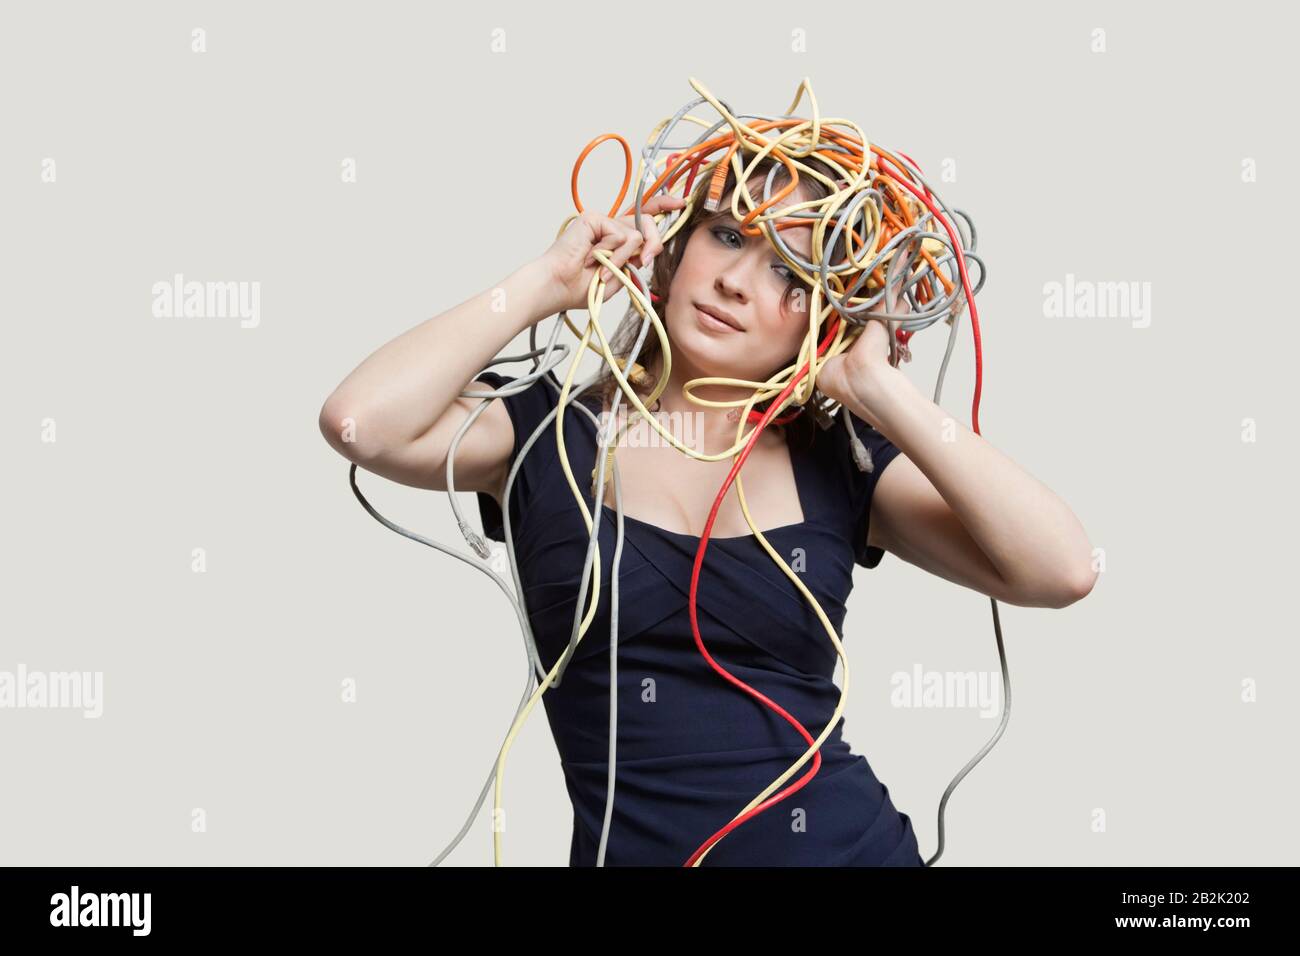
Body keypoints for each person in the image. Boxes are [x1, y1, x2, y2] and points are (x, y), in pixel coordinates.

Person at [318, 157, 1098, 866]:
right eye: (727, 236)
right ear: (673, 250)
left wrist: (879, 393)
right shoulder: (543, 436)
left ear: (826, 313)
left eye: (789, 271)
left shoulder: (841, 463)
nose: (736, 283)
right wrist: (546, 284)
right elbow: (359, 420)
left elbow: (1061, 570)